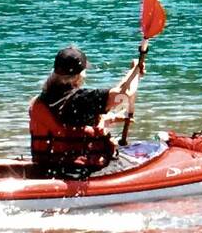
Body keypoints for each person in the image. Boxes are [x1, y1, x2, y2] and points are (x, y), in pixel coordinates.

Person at [29, 44, 151, 177]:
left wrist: (109, 119)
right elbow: (123, 95)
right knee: (146, 160)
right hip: (79, 171)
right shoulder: (81, 99)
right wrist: (135, 72)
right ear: (79, 75)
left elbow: (67, 127)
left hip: (49, 168)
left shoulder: (42, 100)